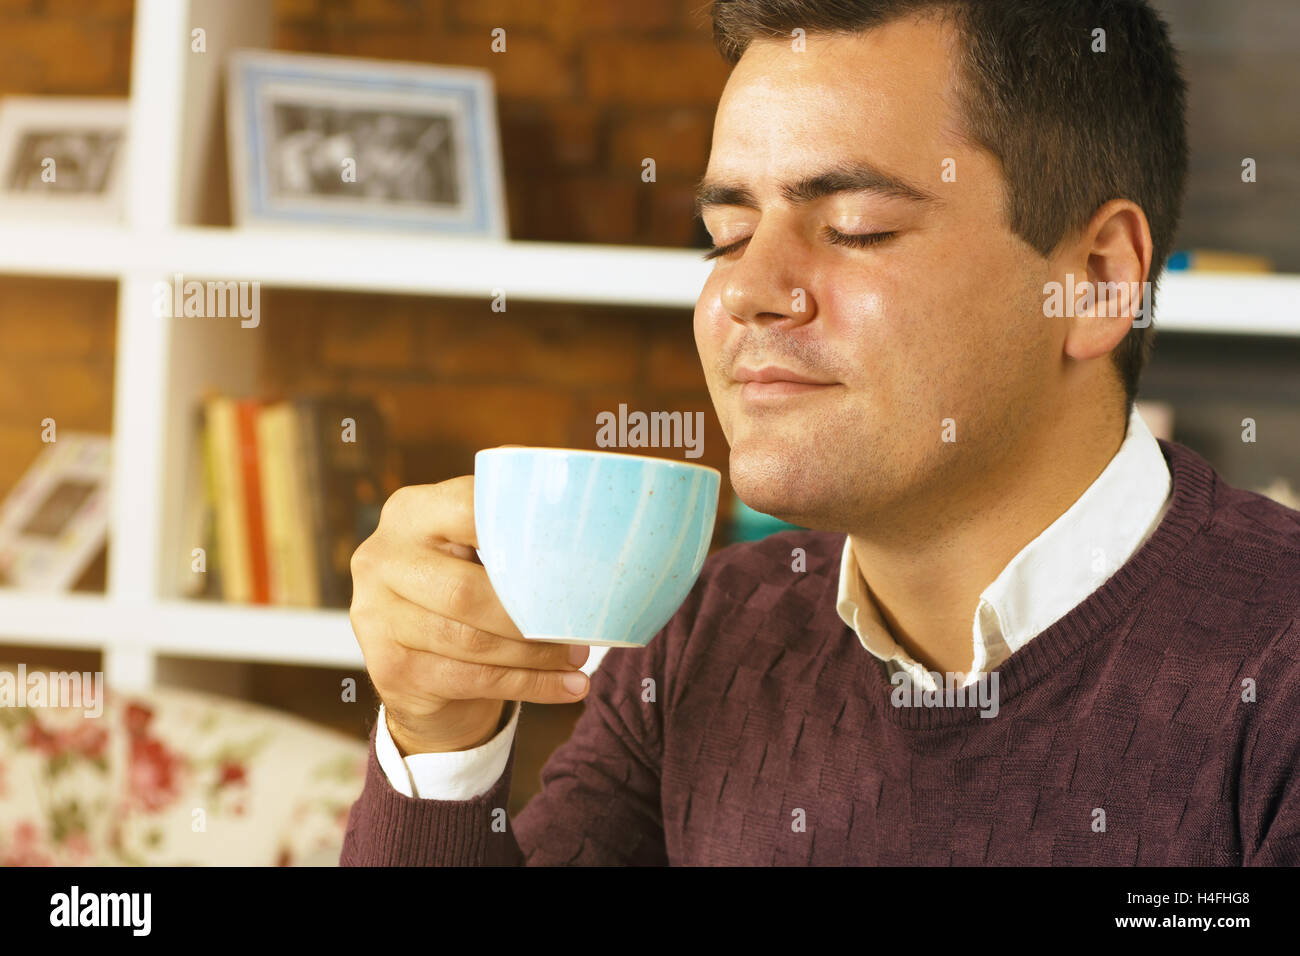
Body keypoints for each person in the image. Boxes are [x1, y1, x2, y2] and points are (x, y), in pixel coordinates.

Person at [341, 0, 1300, 865]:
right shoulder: (701, 636)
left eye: (854, 227)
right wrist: (443, 743)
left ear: (1096, 280)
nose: (745, 294)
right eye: (724, 236)